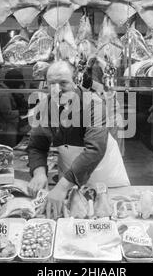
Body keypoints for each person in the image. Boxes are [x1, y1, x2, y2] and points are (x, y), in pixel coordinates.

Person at [27, 60, 129, 219]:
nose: (57, 89)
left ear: (76, 81)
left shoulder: (93, 103)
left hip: (103, 173)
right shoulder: (45, 106)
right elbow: (37, 146)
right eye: (51, 83)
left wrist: (61, 187)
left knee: (108, 219)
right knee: (71, 220)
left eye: (63, 83)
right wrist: (39, 172)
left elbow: (94, 150)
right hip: (69, 178)